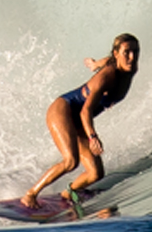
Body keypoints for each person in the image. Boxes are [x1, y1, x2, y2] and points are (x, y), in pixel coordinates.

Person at [23, 33, 140, 214]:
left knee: (95, 173)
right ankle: (30, 194)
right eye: (127, 52)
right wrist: (92, 137)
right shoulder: (107, 77)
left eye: (135, 51)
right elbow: (85, 111)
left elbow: (108, 60)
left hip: (78, 121)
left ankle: (68, 192)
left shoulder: (127, 67)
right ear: (117, 53)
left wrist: (95, 64)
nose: (132, 57)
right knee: (71, 161)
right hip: (63, 110)